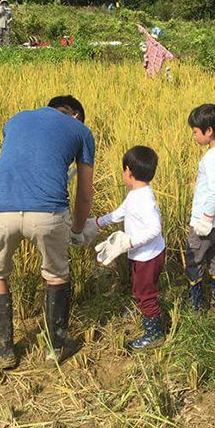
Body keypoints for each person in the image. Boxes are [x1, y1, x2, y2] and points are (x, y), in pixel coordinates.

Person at [0, 95, 96, 367]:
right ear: (76, 115)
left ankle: (1, 349)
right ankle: (56, 347)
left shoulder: (16, 120)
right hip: (48, 212)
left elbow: (20, 161)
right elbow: (85, 195)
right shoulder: (81, 130)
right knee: (56, 274)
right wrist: (77, 230)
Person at [88, 146, 166, 350]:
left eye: (123, 170)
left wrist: (128, 242)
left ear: (129, 171)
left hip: (148, 256)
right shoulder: (136, 193)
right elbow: (122, 212)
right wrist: (97, 222)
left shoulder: (145, 199)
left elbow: (155, 229)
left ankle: (154, 334)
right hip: (141, 255)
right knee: (140, 288)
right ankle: (147, 314)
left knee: (144, 293)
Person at [185, 104, 215, 311]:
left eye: (196, 132)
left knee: (194, 260)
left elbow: (214, 192)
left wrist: (205, 219)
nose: (194, 136)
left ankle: (195, 306)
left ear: (209, 131)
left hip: (208, 222)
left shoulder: (211, 158)